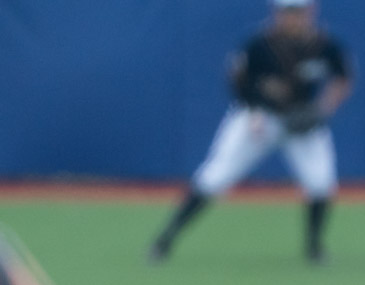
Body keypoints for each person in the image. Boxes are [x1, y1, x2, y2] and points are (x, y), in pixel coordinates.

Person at [150, 0, 352, 264]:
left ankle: (314, 248)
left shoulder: (326, 45)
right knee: (215, 176)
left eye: (298, 11)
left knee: (320, 182)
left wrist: (324, 108)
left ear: (311, 11)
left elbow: (343, 77)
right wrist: (254, 109)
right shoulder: (259, 44)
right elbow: (237, 79)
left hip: (301, 120)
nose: (293, 17)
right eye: (287, 12)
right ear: (276, 13)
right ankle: (165, 239)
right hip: (259, 118)